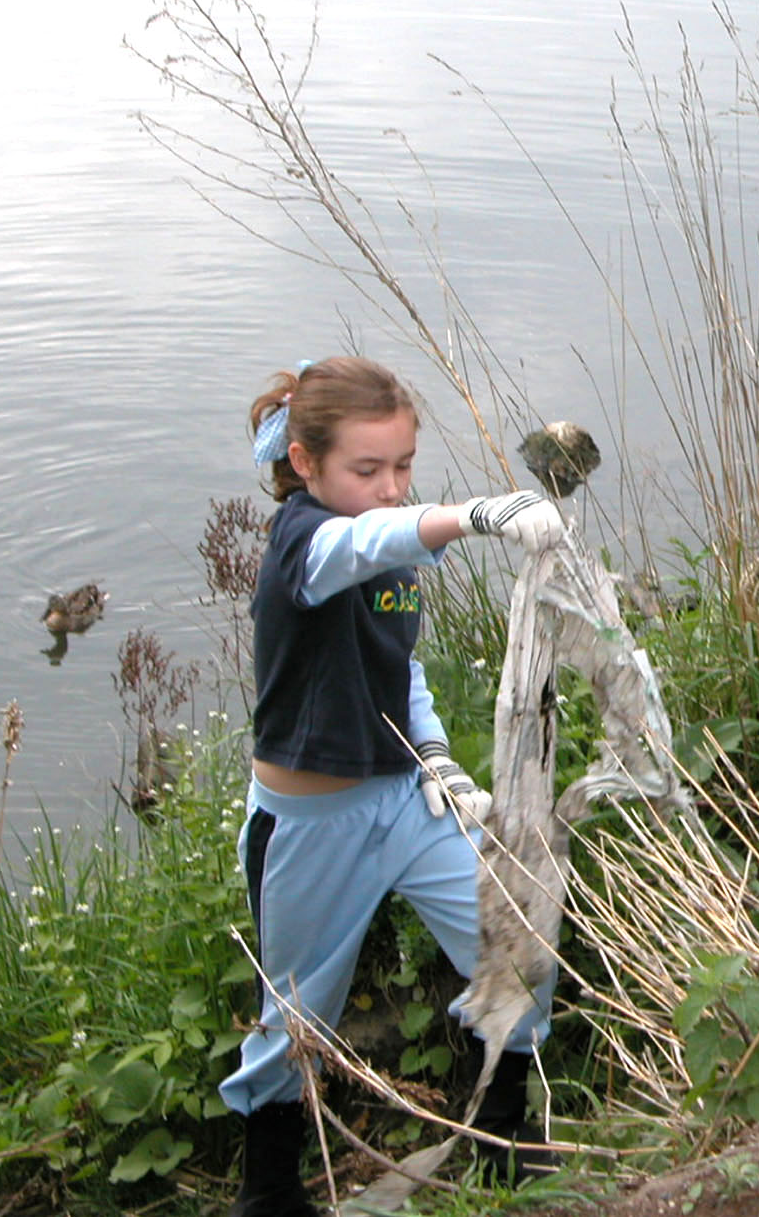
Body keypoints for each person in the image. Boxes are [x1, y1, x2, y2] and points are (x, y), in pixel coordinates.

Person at [220, 355, 566, 1214]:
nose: (388, 487)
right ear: (305, 464)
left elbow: (395, 663)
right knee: (295, 1023)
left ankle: (500, 1136)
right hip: (311, 826)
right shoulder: (307, 543)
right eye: (365, 469)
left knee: (517, 944)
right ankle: (270, 1196)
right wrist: (471, 515)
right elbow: (368, 541)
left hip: (407, 803)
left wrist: (438, 755)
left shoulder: (377, 534)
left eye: (403, 467)